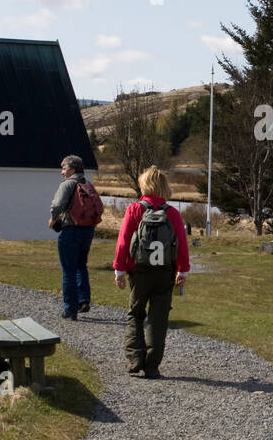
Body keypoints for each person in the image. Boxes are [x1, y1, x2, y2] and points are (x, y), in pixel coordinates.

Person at [112, 165, 189, 378]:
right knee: (158, 318)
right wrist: (183, 270)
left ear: (144, 184)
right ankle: (152, 366)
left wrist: (119, 269)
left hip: (139, 271)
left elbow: (123, 241)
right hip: (165, 272)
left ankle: (135, 360)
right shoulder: (172, 213)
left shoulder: (135, 209)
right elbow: (181, 244)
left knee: (135, 314)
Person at [50, 155, 98, 320]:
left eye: (63, 168)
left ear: (72, 169)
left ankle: (70, 309)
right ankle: (83, 299)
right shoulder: (88, 184)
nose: (62, 172)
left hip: (70, 230)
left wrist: (53, 219)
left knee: (68, 270)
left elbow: (57, 205)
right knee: (81, 266)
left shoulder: (68, 184)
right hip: (88, 230)